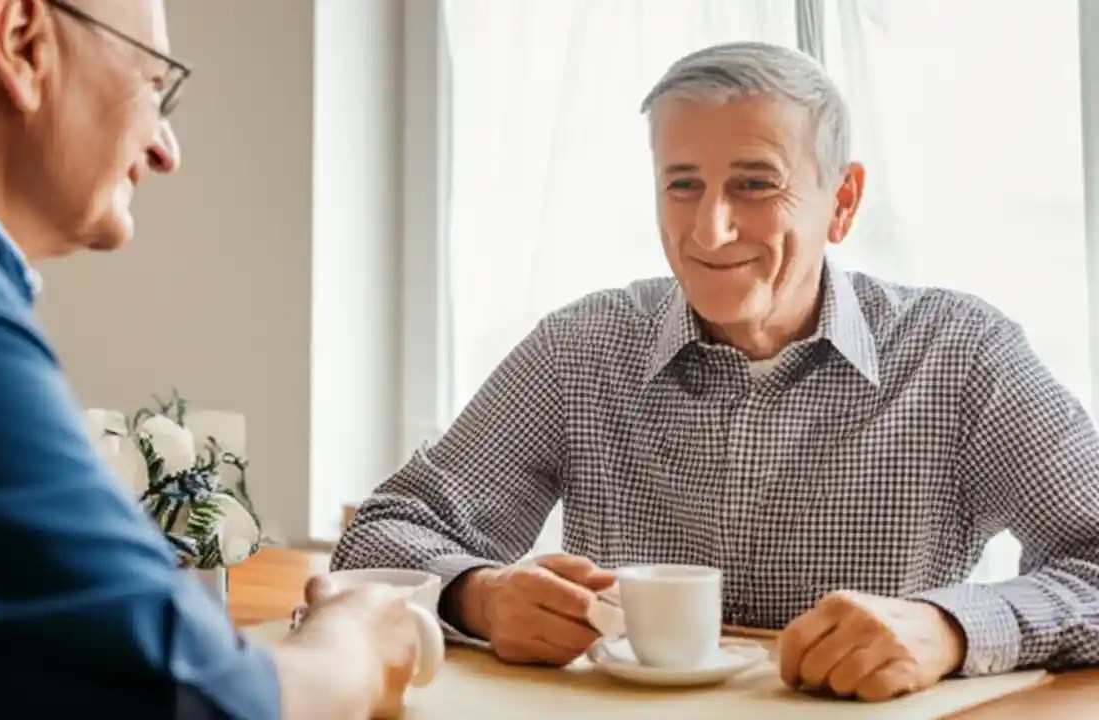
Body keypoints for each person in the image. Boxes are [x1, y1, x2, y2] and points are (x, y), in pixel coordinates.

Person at [332, 41, 1099, 702]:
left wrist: (952, 628)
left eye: (755, 183)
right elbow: (380, 539)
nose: (710, 228)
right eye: (683, 184)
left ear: (843, 200)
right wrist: (481, 595)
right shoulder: (580, 349)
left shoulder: (963, 355)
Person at [0, 1, 419, 718]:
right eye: (153, 83)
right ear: (22, 43)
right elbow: (196, 695)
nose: (166, 149)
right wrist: (356, 642)